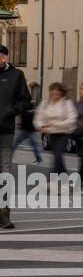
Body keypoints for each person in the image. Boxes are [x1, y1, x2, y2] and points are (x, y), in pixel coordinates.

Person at [0, 47, 31, 230]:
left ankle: (4, 215)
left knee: (4, 173)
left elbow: (25, 100)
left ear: (4, 57)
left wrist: (10, 111)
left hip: (5, 130)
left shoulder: (16, 75)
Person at [35, 83, 76, 176]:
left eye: (57, 93)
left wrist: (56, 124)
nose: (55, 95)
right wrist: (41, 126)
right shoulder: (45, 104)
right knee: (58, 157)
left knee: (57, 155)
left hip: (64, 133)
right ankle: (65, 180)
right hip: (51, 133)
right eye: (53, 93)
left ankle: (51, 180)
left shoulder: (67, 103)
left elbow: (72, 119)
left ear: (61, 93)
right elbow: (39, 117)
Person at [14, 80, 41, 165]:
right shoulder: (30, 96)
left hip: (28, 126)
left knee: (16, 143)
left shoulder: (32, 97)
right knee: (33, 144)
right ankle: (39, 158)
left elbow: (29, 107)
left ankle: (9, 155)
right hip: (28, 126)